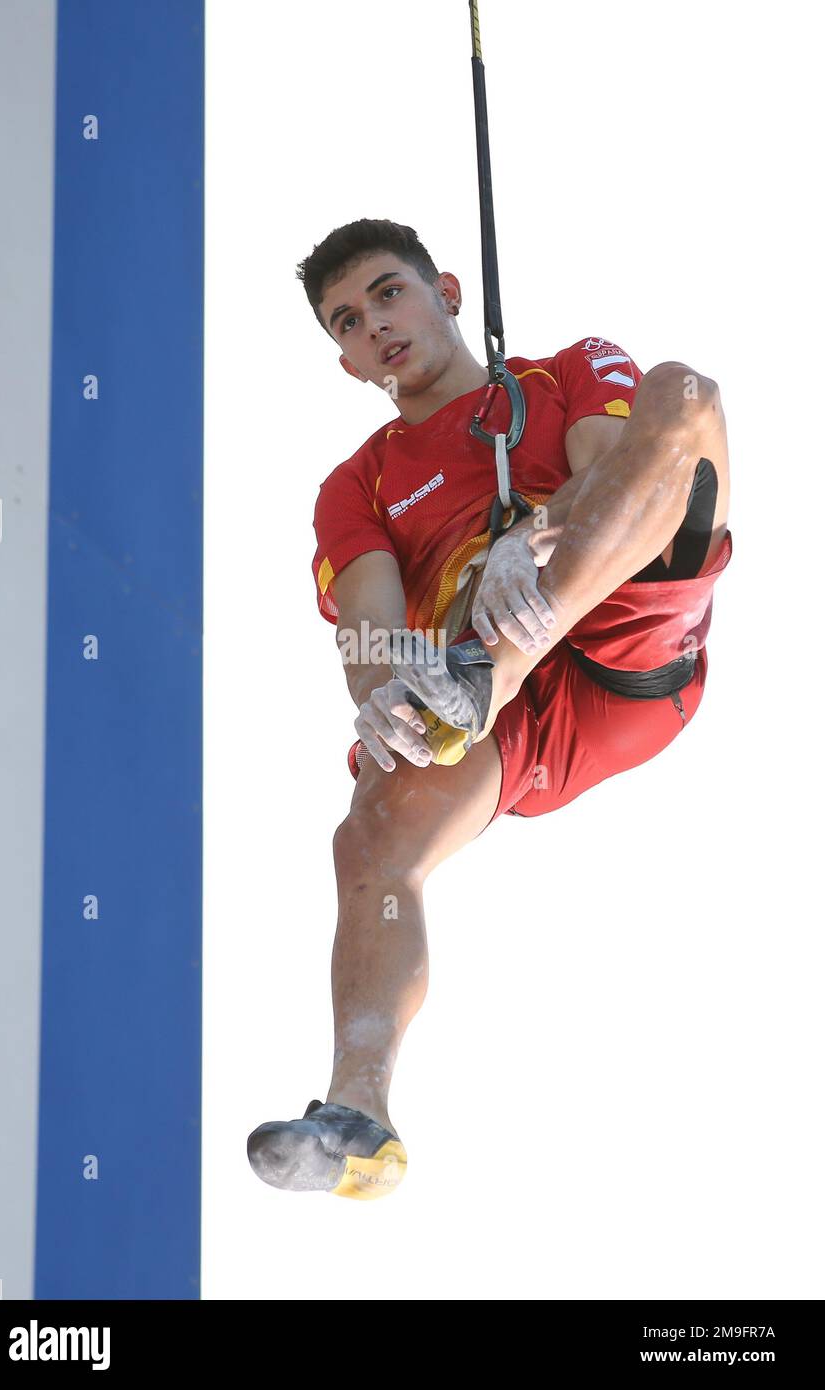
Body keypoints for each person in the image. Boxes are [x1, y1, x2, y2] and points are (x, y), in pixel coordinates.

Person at [247, 218, 732, 1199]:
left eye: (388, 292)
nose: (373, 325)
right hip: (490, 712)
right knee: (370, 836)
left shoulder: (561, 376)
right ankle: (358, 1115)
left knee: (681, 393)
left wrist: (539, 532)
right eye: (346, 319)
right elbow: (373, 635)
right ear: (343, 362)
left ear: (448, 293)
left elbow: (617, 467)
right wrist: (381, 694)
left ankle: (492, 656)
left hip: (616, 634)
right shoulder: (357, 485)